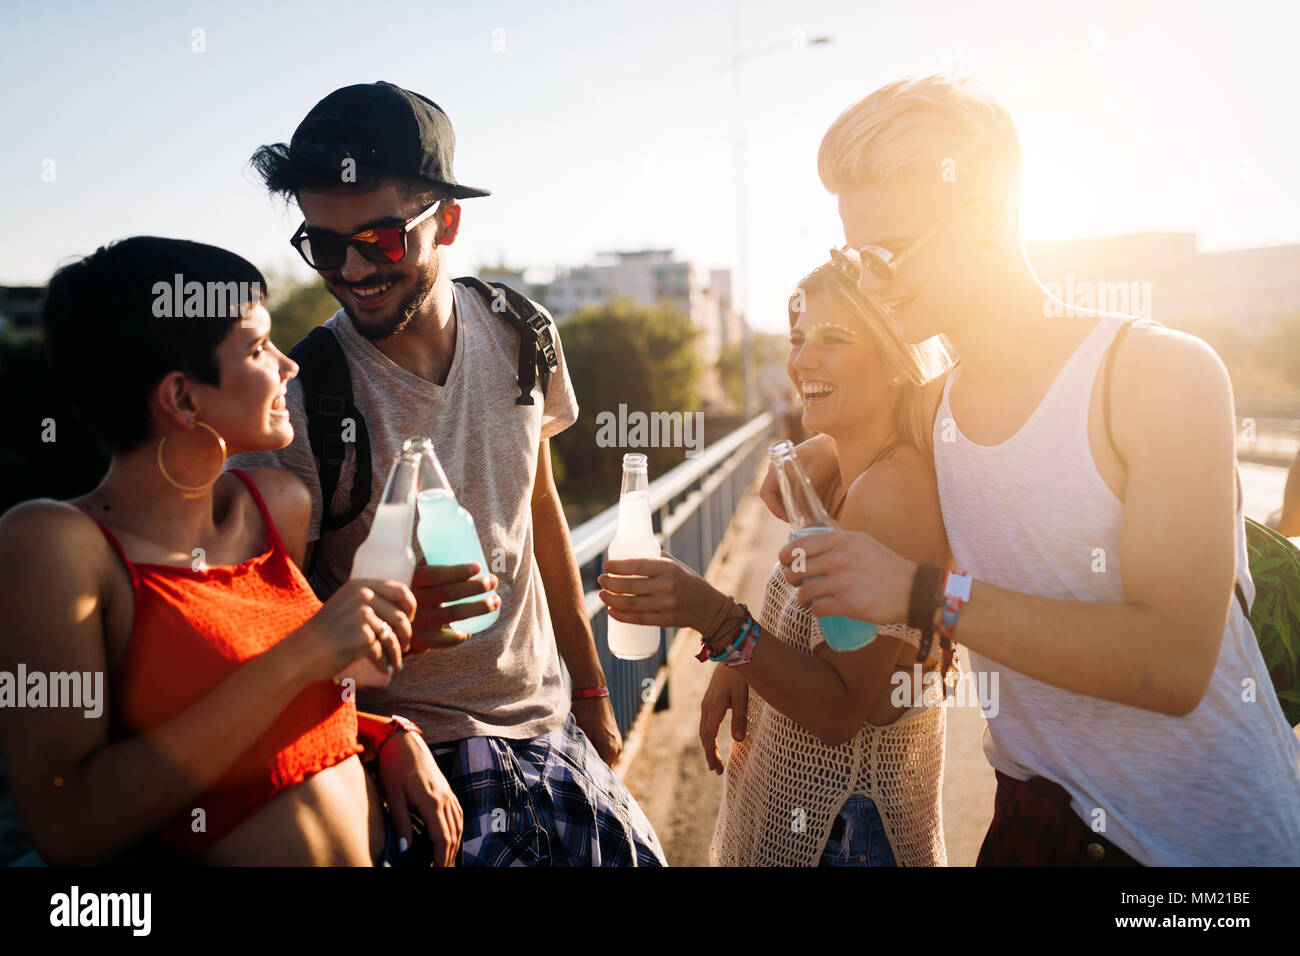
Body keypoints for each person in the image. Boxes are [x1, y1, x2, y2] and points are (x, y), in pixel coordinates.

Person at [766, 75, 1300, 865]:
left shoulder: (1158, 374)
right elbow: (794, 475)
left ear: (987, 221)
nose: (868, 280)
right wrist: (745, 657)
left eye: (887, 252)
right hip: (1034, 822)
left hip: (1201, 850)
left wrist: (921, 594)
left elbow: (1173, 665)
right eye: (851, 255)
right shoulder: (931, 406)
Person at [228, 82, 665, 866]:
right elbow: (264, 632)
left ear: (449, 222)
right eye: (323, 246)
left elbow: (538, 506)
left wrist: (593, 690)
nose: (352, 269)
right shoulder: (303, 399)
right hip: (414, 764)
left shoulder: (522, 332)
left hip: (549, 729)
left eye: (381, 240)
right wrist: (380, 730)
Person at [0, 237, 464, 866]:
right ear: (184, 398)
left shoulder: (276, 503)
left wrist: (382, 730)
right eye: (256, 347)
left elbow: (258, 698)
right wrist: (308, 649)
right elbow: (68, 823)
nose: (287, 365)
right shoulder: (53, 544)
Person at [598, 260, 953, 865]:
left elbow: (841, 710)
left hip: (846, 837)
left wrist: (717, 621)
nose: (801, 362)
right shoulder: (848, 469)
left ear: (896, 355)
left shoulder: (892, 494)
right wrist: (748, 661)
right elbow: (817, 629)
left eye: (833, 339)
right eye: (797, 339)